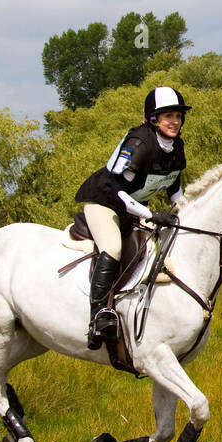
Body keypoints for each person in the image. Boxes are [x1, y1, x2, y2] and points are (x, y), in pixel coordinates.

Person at [74, 86, 190, 350]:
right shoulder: (139, 143)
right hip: (105, 203)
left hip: (133, 208)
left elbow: (174, 187)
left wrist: (184, 210)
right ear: (153, 118)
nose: (175, 121)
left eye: (178, 116)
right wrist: (149, 213)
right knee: (113, 248)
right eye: (168, 115)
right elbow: (116, 188)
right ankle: (98, 318)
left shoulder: (176, 146)